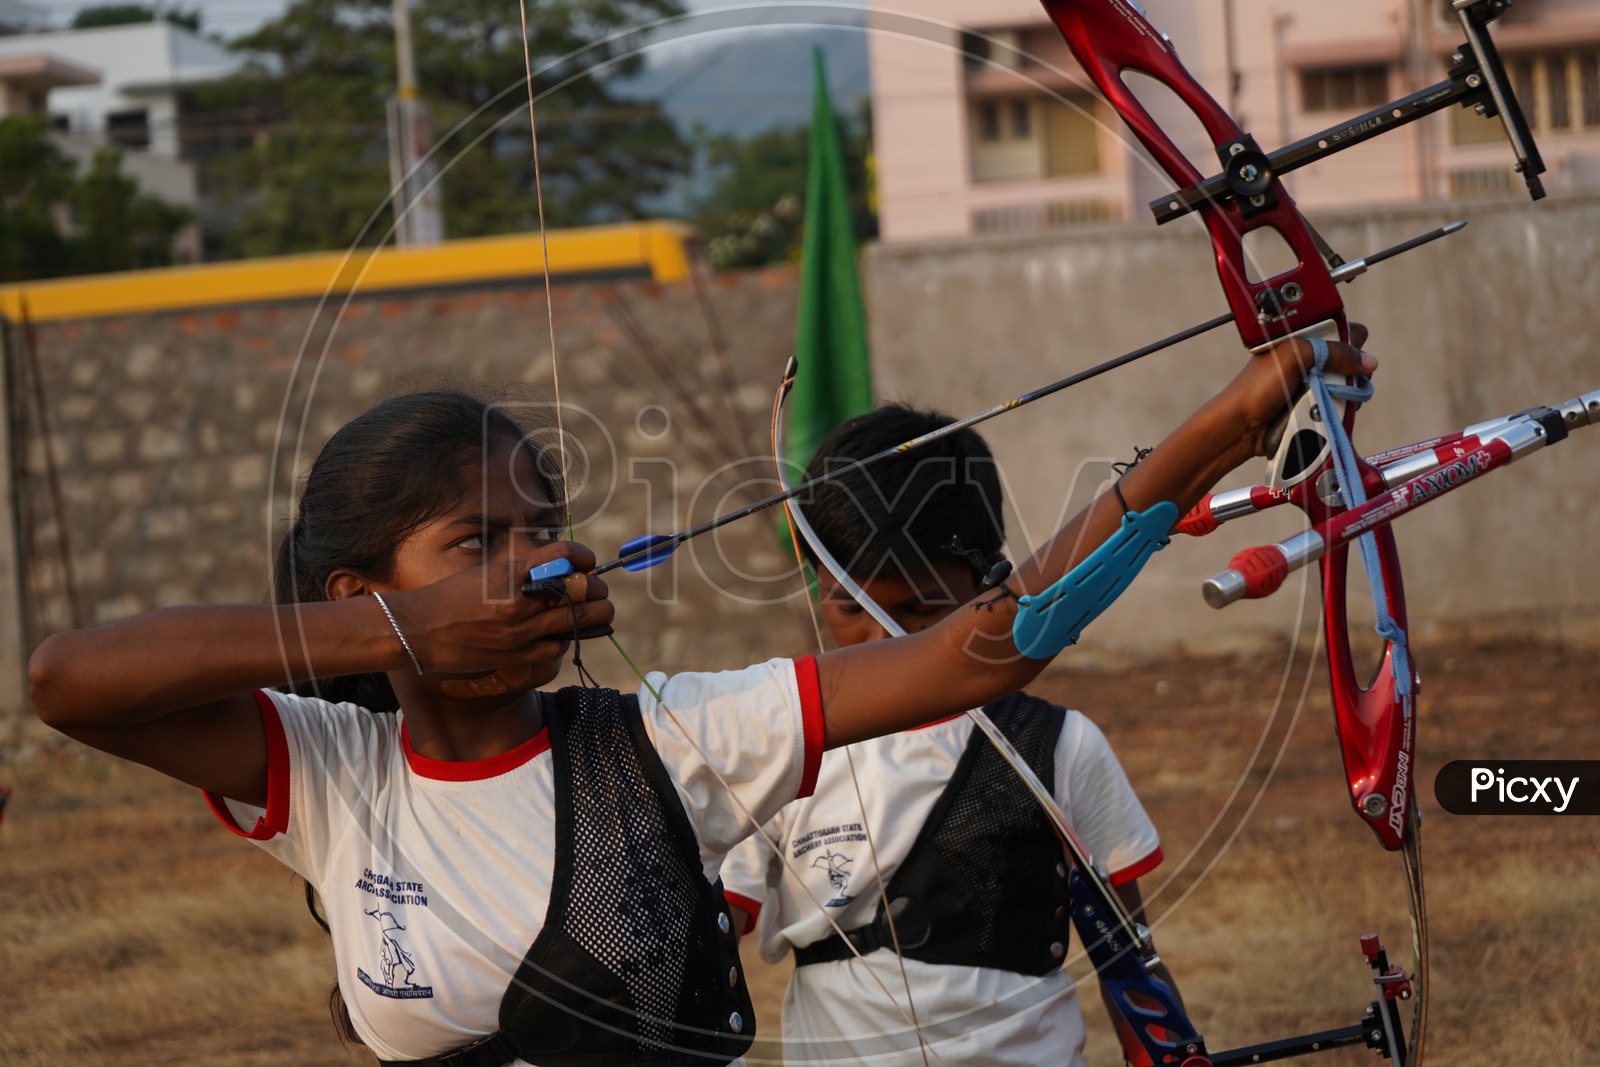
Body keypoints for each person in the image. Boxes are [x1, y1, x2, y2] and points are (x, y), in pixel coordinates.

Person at [30, 335, 1376, 1067]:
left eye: (541, 525)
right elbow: (66, 680)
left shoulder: (665, 737)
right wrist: (400, 629)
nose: (534, 559)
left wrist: (1222, 424)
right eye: (475, 541)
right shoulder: (328, 769)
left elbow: (981, 649)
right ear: (355, 585)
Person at [720, 404, 1180, 1066]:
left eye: (920, 607)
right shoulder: (779, 752)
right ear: (817, 586)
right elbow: (701, 954)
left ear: (993, 582)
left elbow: (1133, 964)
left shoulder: (1060, 747)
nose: (884, 640)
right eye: (850, 607)